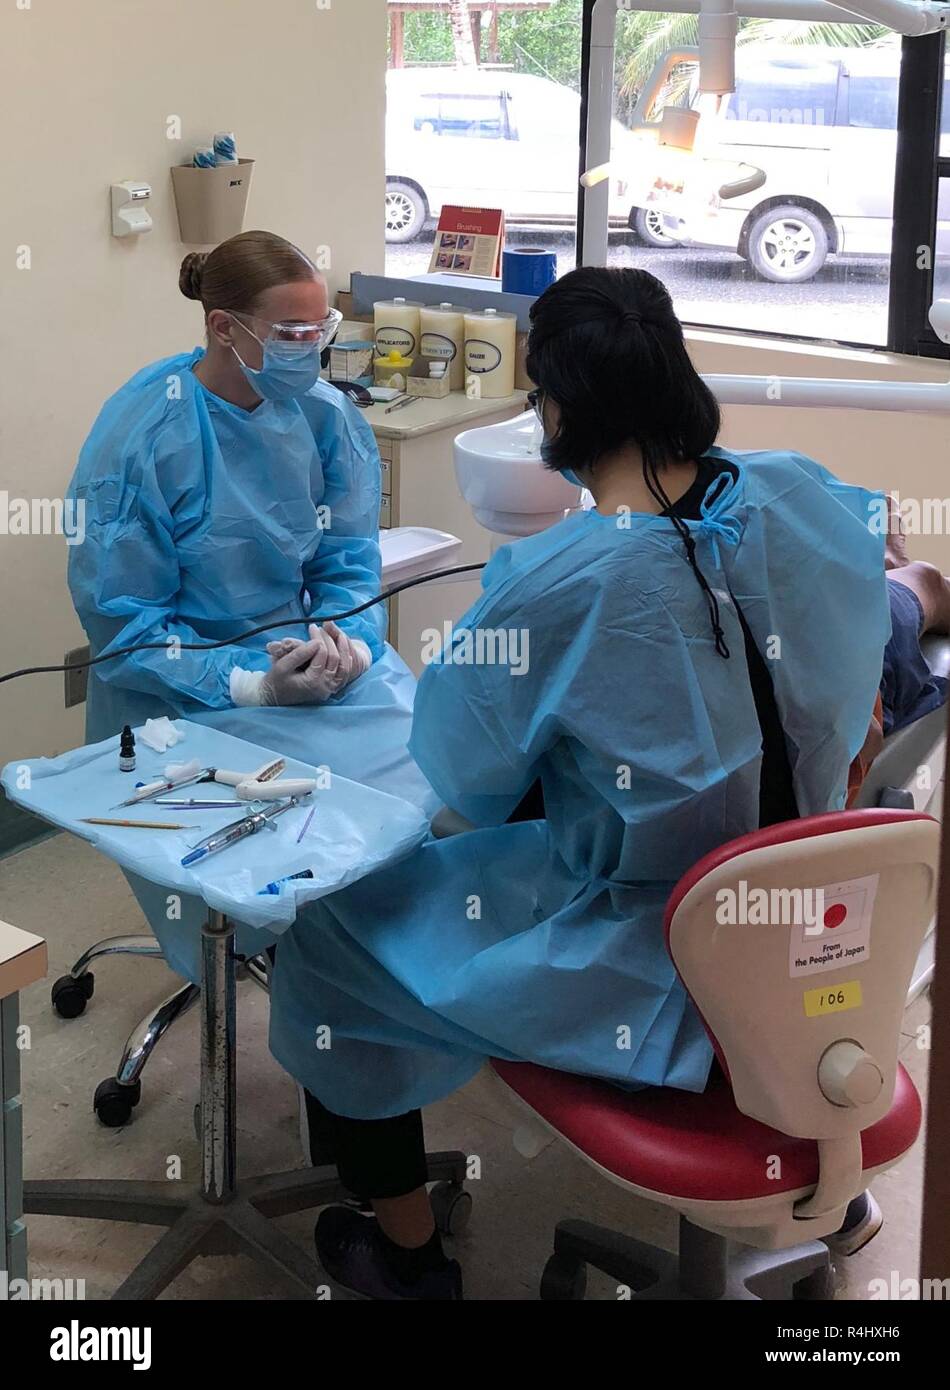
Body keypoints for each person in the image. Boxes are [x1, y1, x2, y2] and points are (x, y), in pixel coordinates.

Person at [268, 266, 909, 1299]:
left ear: (552, 409)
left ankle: (405, 1250)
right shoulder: (797, 490)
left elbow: (467, 782)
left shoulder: (552, 580)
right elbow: (873, 598)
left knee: (330, 929)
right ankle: (824, 1187)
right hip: (821, 937)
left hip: (658, 965)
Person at [67, 230, 438, 979]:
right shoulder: (144, 436)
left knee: (434, 774)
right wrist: (249, 684)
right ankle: (320, 979)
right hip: (177, 696)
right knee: (296, 848)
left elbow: (348, 562)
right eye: (292, 335)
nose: (311, 350)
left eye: (319, 332)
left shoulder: (326, 417)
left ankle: (383, 975)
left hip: (309, 662)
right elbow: (125, 623)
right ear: (222, 328)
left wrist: (350, 643)